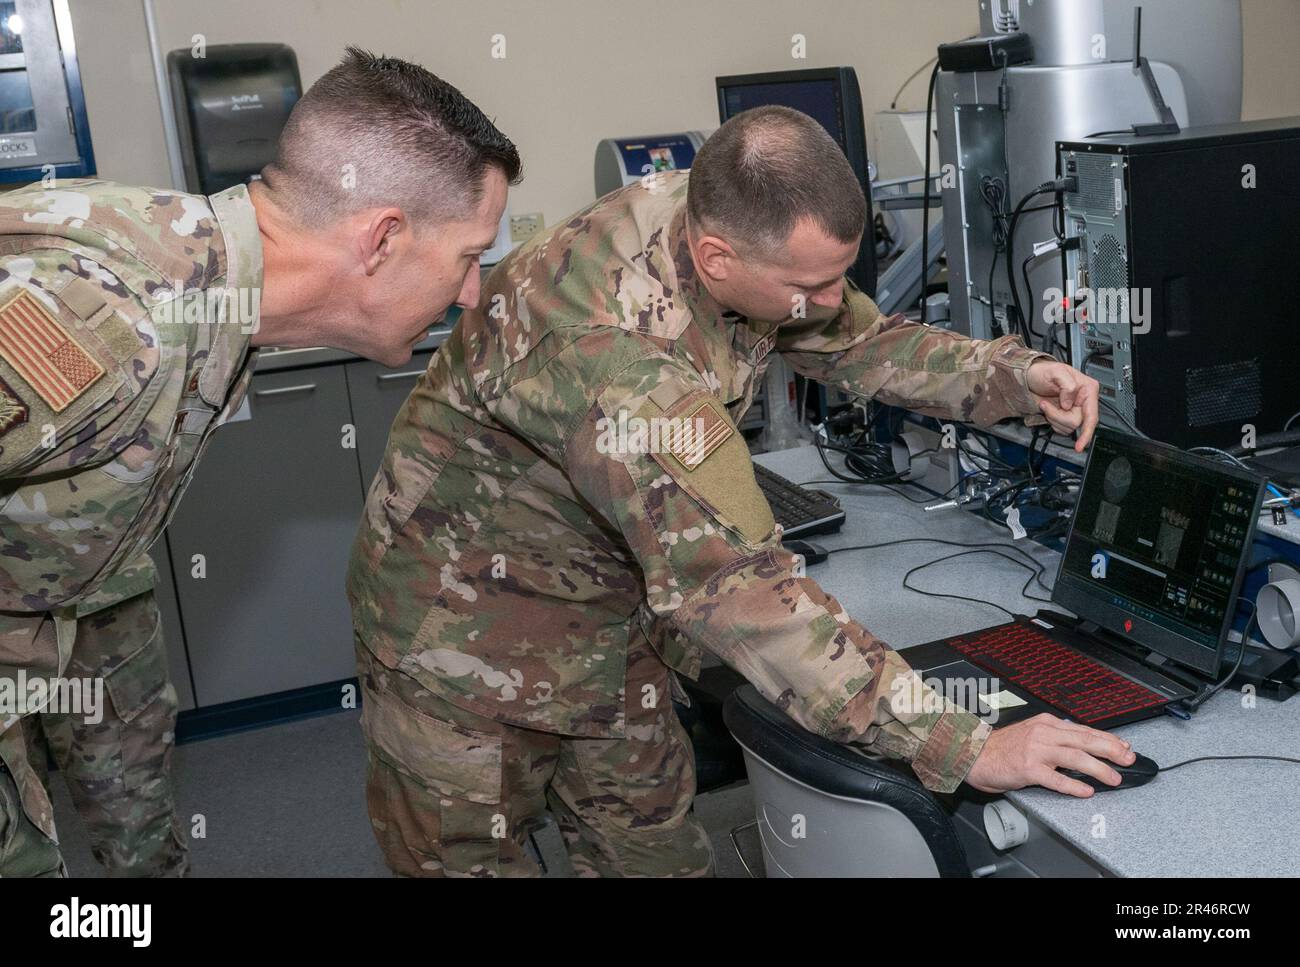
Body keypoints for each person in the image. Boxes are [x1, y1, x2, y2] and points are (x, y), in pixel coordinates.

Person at [347, 104, 1130, 878]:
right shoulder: (620, 363)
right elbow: (745, 598)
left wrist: (1013, 378)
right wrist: (972, 745)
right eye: (811, 284)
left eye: (838, 276)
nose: (829, 299)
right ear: (718, 258)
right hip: (459, 631)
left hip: (611, 612)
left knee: (652, 858)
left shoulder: (731, 212)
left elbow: (854, 338)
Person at [0, 46, 521, 877]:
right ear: (383, 239)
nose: (469, 293)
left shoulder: (209, 294)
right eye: (468, 256)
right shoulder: (111, 321)